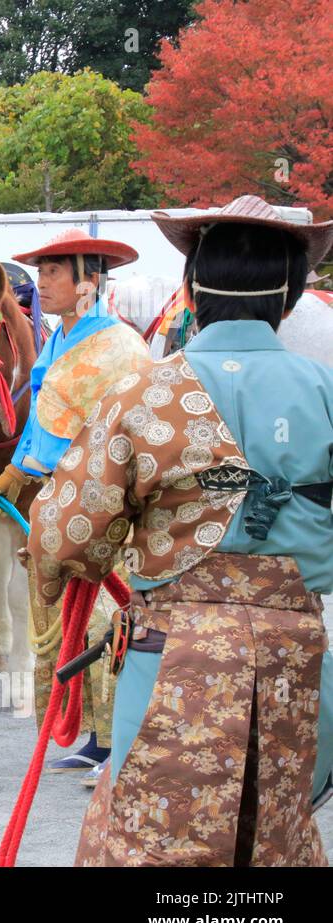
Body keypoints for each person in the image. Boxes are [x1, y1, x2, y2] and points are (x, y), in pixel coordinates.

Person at [29, 195, 333, 865]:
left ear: (190, 290)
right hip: (296, 667)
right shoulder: (325, 391)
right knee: (272, 845)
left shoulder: (141, 394)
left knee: (151, 850)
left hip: (170, 659)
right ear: (290, 299)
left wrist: (60, 570)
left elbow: (66, 538)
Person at [0, 229, 148, 781]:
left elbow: (85, 430)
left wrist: (25, 467)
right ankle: (94, 736)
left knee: (106, 615)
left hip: (106, 500)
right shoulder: (60, 338)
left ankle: (118, 740)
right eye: (42, 271)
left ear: (90, 282)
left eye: (55, 271)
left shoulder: (116, 346)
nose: (42, 282)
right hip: (62, 496)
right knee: (63, 618)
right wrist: (15, 468)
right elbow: (43, 415)